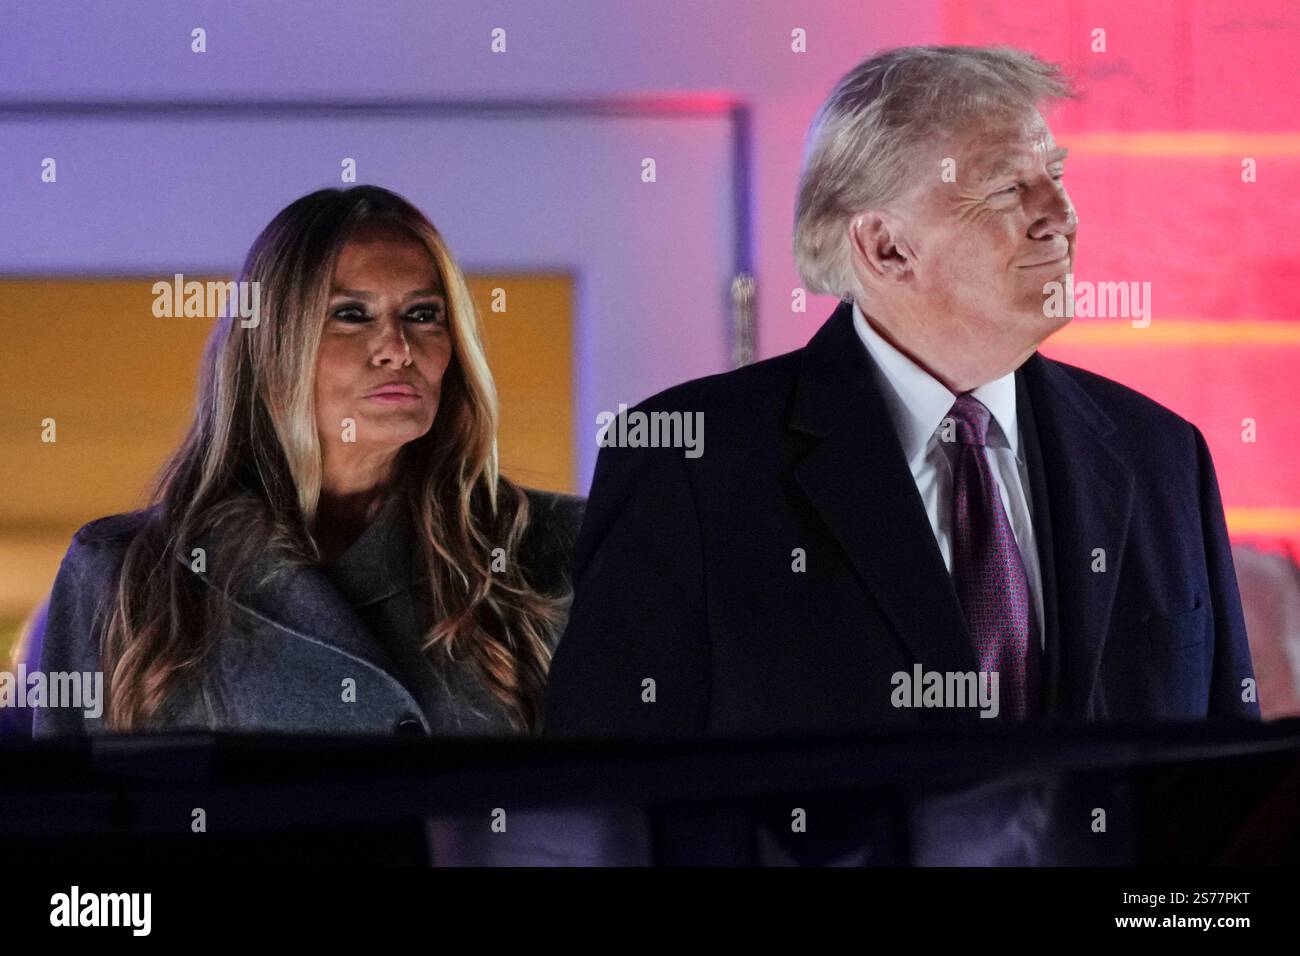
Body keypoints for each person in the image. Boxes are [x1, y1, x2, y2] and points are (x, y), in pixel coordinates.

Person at [545, 46, 1260, 741]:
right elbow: (600, 805)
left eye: (1056, 177)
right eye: (1010, 188)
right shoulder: (690, 463)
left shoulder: (1163, 456)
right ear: (886, 247)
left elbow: (1228, 785)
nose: (1060, 216)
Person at [32, 185, 583, 737]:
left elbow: (618, 802)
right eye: (351, 314)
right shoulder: (125, 572)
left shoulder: (549, 548)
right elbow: (69, 815)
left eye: (422, 314)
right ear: (273, 343)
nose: (398, 348)